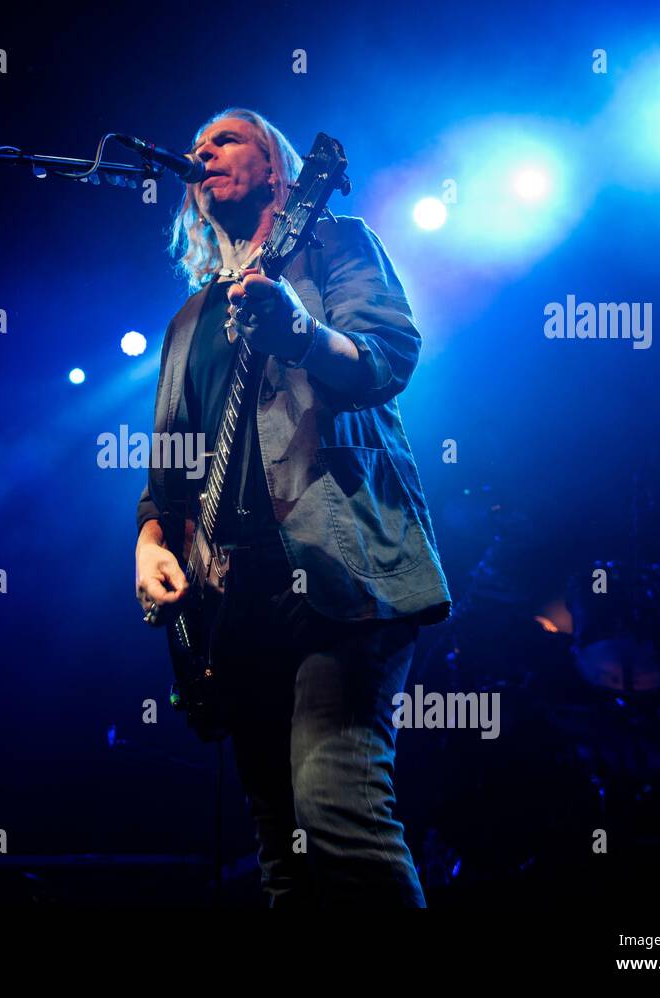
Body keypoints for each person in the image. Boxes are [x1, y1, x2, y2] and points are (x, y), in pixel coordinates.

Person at [134, 108, 450, 907]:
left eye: (226, 140)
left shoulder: (333, 241)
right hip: (232, 606)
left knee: (338, 814)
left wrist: (300, 332)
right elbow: (171, 468)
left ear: (276, 168)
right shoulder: (188, 320)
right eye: (197, 145)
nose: (202, 153)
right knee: (283, 855)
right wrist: (150, 540)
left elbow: (387, 358)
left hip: (337, 571)